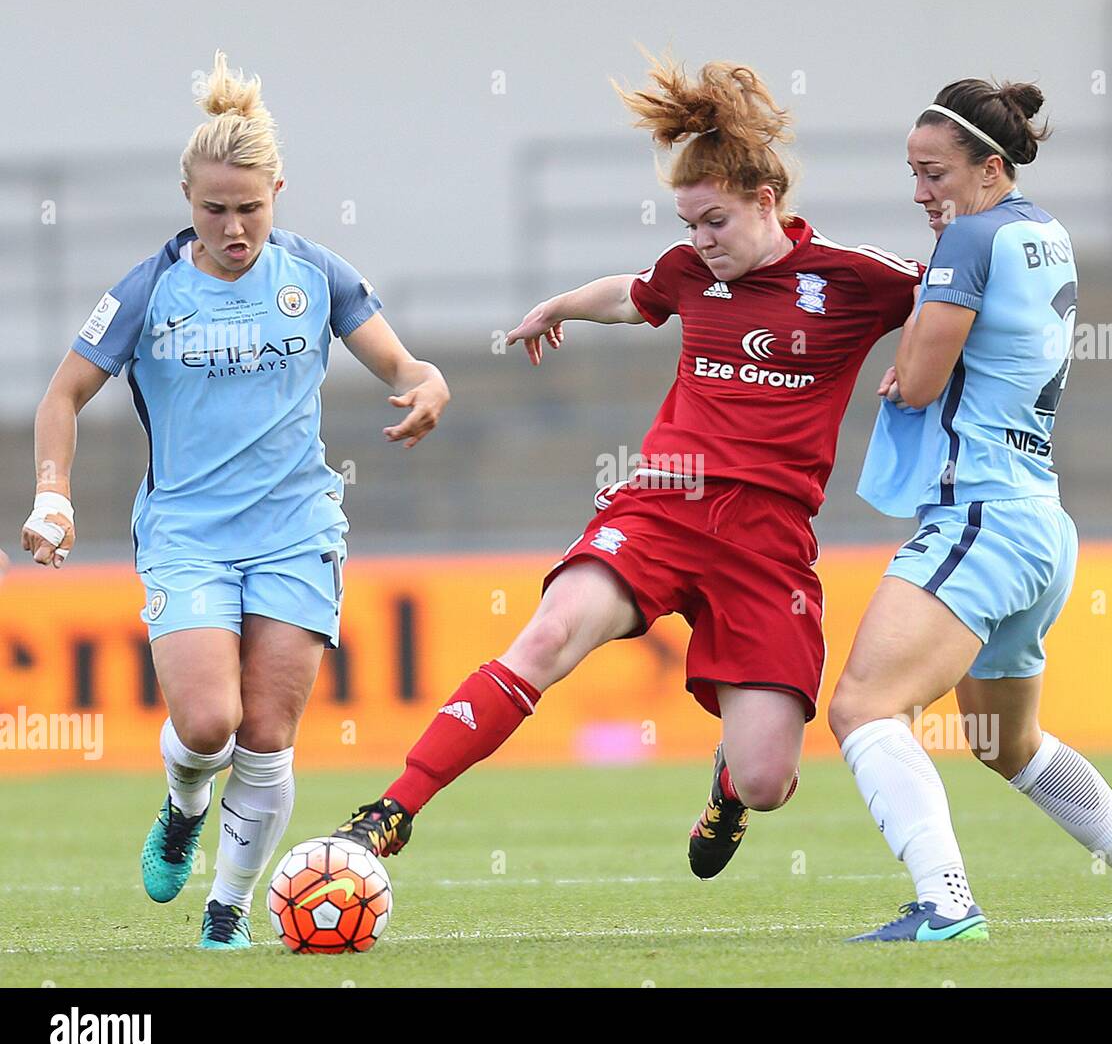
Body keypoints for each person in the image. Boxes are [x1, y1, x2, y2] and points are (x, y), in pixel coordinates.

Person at [332, 56, 921, 878]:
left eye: (714, 221)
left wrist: (921, 363)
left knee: (769, 778)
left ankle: (728, 787)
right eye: (688, 223)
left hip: (768, 538)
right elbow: (633, 293)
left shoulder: (855, 278)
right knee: (547, 636)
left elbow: (955, 299)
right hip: (662, 505)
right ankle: (390, 812)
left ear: (767, 201)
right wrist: (560, 305)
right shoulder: (691, 270)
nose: (700, 241)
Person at [21, 51, 450, 948]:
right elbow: (61, 394)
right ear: (186, 197)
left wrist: (426, 381)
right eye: (214, 209)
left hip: (296, 530)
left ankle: (227, 910)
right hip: (187, 533)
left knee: (265, 734)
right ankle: (184, 806)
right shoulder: (148, 289)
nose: (234, 227)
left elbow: (401, 362)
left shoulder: (316, 275)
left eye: (250, 207)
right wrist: (53, 496)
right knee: (209, 723)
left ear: (277, 192)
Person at [828, 78, 1112, 941]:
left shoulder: (970, 237)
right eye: (912, 173)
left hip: (981, 517)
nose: (920, 191)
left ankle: (946, 902)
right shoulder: (1046, 230)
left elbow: (919, 382)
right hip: (1039, 519)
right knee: (1007, 742)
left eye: (933, 172)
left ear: (990, 167)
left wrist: (910, 349)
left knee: (863, 706)